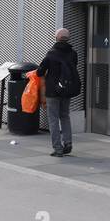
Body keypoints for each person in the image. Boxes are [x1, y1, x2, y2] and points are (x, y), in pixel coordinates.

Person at [37, 27, 79, 157]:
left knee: (53, 119)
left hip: (52, 92)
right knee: (65, 116)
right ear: (68, 38)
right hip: (66, 90)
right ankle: (68, 143)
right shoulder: (73, 53)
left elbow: (40, 72)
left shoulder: (51, 53)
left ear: (56, 38)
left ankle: (58, 148)